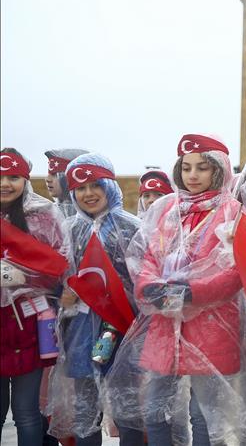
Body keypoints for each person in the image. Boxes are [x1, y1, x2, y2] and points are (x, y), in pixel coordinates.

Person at [105, 134, 246, 445]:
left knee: (205, 414)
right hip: (165, 322)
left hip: (212, 325)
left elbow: (235, 272)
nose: (193, 175)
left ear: (219, 170)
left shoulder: (233, 212)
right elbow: (148, 258)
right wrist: (148, 287)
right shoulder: (168, 209)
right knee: (154, 409)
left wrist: (191, 292)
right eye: (186, 167)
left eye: (202, 167)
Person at [46, 152, 144, 445]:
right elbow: (58, 275)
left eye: (95, 185)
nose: (88, 194)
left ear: (109, 186)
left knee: (127, 401)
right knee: (85, 404)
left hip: (124, 324)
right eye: (80, 188)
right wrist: (62, 293)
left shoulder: (130, 227)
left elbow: (142, 278)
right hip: (81, 326)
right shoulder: (69, 229)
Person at [1, 149, 65, 446]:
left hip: (30, 320)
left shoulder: (44, 215)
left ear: (25, 179)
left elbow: (61, 264)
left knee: (27, 411)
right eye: (0, 177)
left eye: (13, 177)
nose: (5, 183)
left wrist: (25, 277)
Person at [44, 149, 89, 218]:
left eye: (55, 175)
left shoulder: (94, 216)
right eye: (48, 174)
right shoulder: (46, 216)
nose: (48, 179)